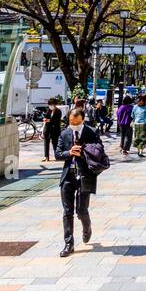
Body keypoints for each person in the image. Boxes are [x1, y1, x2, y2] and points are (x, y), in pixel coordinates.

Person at [55, 109, 101, 258]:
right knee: (67, 211)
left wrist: (84, 151)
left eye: (77, 123)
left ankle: (87, 227)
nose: (74, 125)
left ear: (83, 119)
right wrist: (69, 152)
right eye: (71, 123)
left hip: (84, 175)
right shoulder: (64, 133)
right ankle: (69, 243)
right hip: (68, 175)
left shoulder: (91, 132)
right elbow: (57, 154)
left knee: (81, 210)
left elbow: (100, 150)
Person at [41, 98, 62, 164]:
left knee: (55, 143)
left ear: (55, 104)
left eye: (52, 104)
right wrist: (44, 119)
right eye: (50, 105)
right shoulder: (48, 110)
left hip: (55, 130)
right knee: (46, 143)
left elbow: (57, 120)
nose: (51, 106)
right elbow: (46, 117)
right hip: (47, 129)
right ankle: (46, 157)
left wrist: (49, 120)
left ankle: (57, 156)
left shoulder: (58, 111)